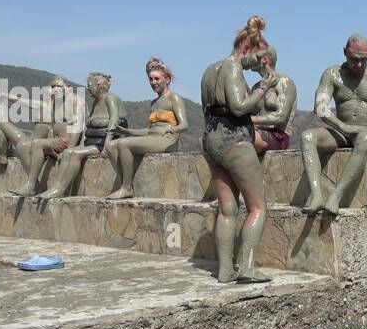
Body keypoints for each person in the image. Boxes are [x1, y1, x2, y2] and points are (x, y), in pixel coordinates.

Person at [200, 16, 278, 284]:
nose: (260, 64)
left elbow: (207, 109)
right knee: (257, 207)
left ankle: (224, 271)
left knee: (227, 209)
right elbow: (238, 107)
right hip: (234, 140)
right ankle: (246, 267)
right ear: (248, 49)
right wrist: (264, 88)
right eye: (259, 57)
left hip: (211, 140)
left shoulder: (210, 69)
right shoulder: (233, 67)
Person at [301, 34, 367, 214]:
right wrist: (344, 127)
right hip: (342, 130)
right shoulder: (332, 74)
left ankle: (336, 195)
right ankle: (317, 196)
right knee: (307, 137)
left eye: (363, 60)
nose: (358, 64)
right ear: (344, 52)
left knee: (364, 137)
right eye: (354, 59)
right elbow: (320, 107)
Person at [104, 58, 188, 199]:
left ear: (166, 79)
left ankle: (126, 188)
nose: (153, 82)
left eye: (157, 79)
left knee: (124, 144)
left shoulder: (174, 98)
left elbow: (185, 124)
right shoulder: (153, 102)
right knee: (111, 145)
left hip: (167, 139)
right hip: (153, 137)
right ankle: (126, 180)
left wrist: (174, 130)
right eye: (151, 79)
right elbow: (149, 131)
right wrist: (127, 131)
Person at [39, 71, 127, 199]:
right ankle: (58, 187)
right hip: (93, 142)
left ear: (100, 85)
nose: (87, 88)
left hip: (102, 144)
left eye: (90, 84)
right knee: (68, 152)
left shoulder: (110, 98)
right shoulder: (96, 102)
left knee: (73, 154)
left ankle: (59, 189)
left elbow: (114, 120)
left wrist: (108, 142)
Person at [250, 45, 297, 153]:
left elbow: (280, 117)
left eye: (253, 55)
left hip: (278, 136)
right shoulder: (256, 87)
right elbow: (245, 111)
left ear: (264, 59)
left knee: (242, 137)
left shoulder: (284, 82)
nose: (249, 58)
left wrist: (250, 120)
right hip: (257, 132)